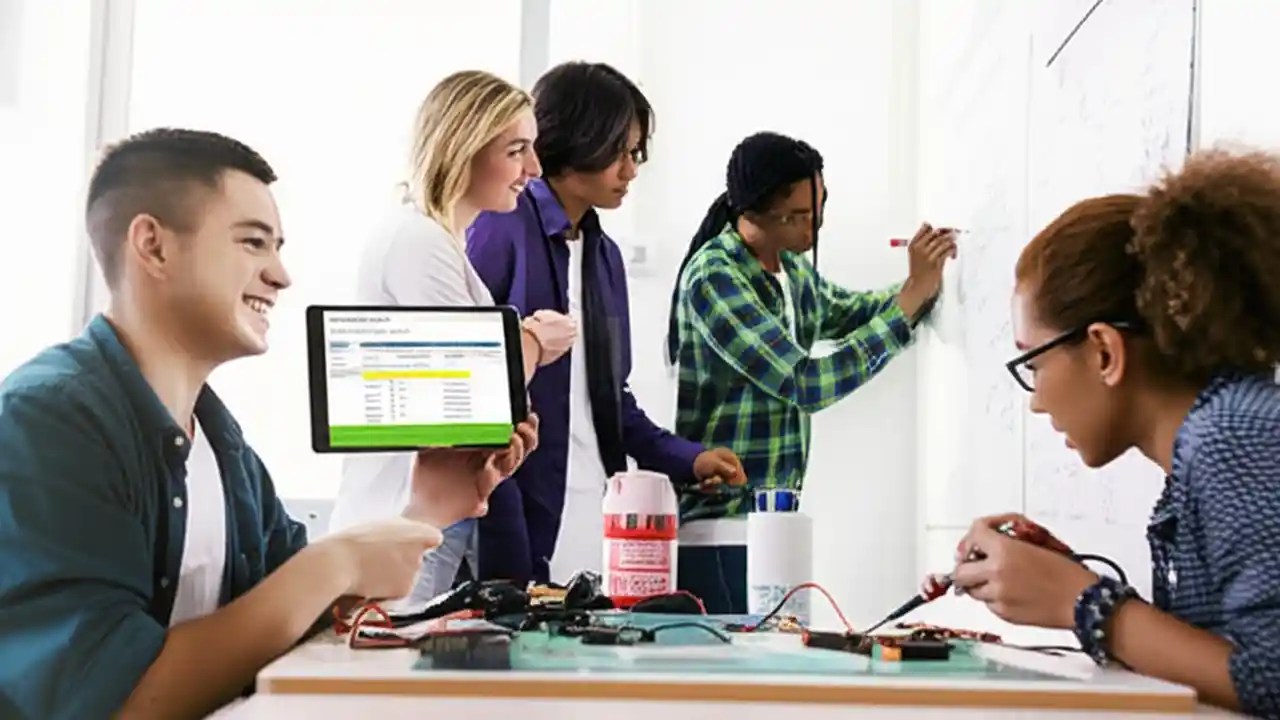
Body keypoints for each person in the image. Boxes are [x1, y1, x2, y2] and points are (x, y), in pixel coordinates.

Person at [0, 128, 537, 719]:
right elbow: (106, 700)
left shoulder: (221, 442)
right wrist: (333, 562)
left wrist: (430, 508)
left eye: (277, 248)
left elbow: (302, 623)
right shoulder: (48, 421)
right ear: (152, 246)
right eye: (253, 244)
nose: (281, 275)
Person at [949, 149, 1280, 717]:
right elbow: (1222, 656)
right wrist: (1067, 579)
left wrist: (1081, 601)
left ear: (1104, 351)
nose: (1036, 403)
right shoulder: (1206, 450)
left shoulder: (1234, 437)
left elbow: (1271, 677)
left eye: (1034, 364)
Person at [467, 61, 746, 588]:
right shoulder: (499, 227)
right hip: (509, 508)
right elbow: (471, 391)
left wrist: (690, 459)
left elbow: (610, 401)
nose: (631, 170)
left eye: (635, 153)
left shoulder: (604, 256)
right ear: (577, 140)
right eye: (620, 151)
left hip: (594, 508)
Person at [665, 131, 956, 613]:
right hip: (722, 529)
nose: (814, 226)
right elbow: (804, 384)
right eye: (798, 215)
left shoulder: (791, 269)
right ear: (754, 212)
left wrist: (919, 286)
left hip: (772, 523)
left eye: (819, 207)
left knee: (774, 667)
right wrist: (908, 302)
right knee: (739, 678)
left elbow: (852, 313)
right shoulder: (715, 276)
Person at [328, 70, 576, 606]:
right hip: (402, 518)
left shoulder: (437, 242)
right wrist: (533, 340)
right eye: (517, 151)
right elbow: (462, 393)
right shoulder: (418, 240)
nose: (533, 170)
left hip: (428, 519)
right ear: (463, 148)